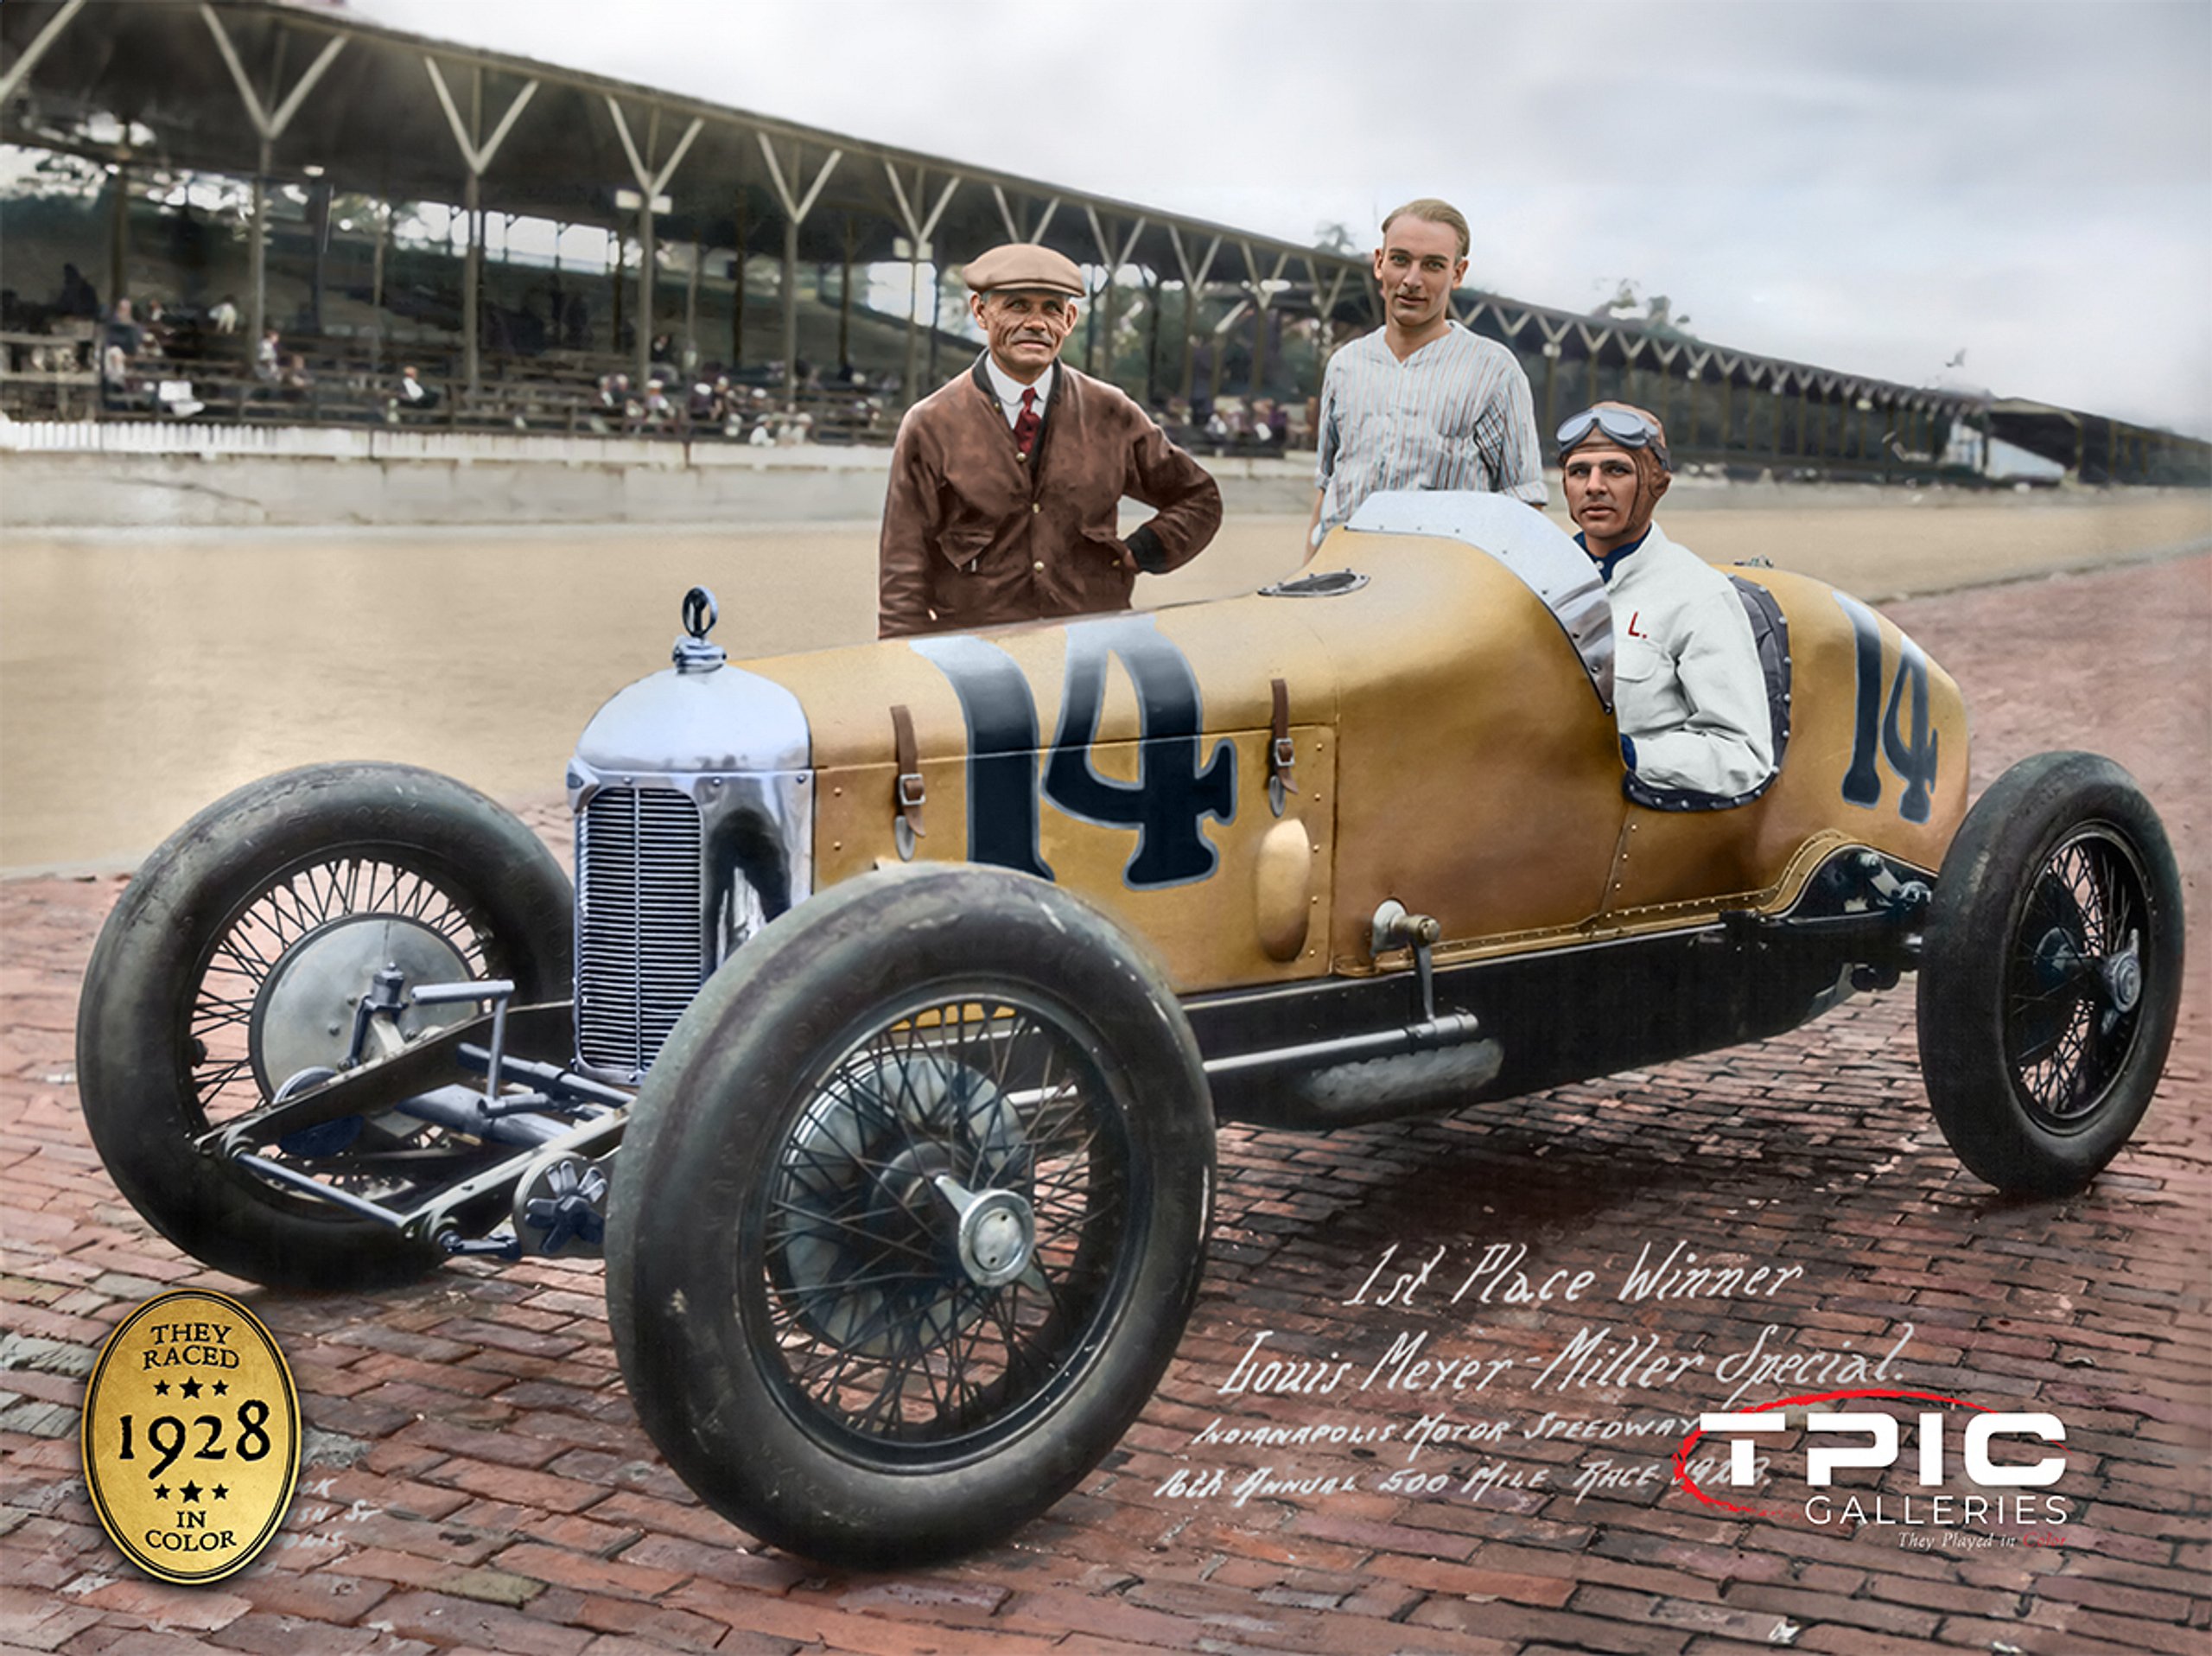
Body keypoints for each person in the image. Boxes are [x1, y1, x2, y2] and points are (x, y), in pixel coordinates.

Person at [878, 242, 1222, 639]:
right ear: (980, 312)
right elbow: (903, 561)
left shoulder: (1111, 411)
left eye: (1051, 309)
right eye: (1018, 306)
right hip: (977, 651)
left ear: (1070, 320)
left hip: (1092, 639)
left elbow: (1199, 498)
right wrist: (902, 659)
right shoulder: (930, 423)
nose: (1037, 323)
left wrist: (1143, 549)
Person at [1557, 402, 1775, 799]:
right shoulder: (1531, 582)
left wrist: (1630, 754)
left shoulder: (1698, 595)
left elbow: (1743, 755)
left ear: (1657, 483)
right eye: (1579, 471)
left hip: (1625, 820)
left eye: (1616, 470)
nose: (1594, 486)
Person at [1307, 198, 1545, 554]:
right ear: (1379, 263)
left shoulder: (1494, 370)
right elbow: (1327, 487)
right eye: (1400, 260)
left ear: (1458, 273)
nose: (1412, 280)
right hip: (1340, 584)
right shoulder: (1346, 365)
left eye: (1433, 265)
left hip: (1441, 592)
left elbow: (1524, 502)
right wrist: (1305, 577)